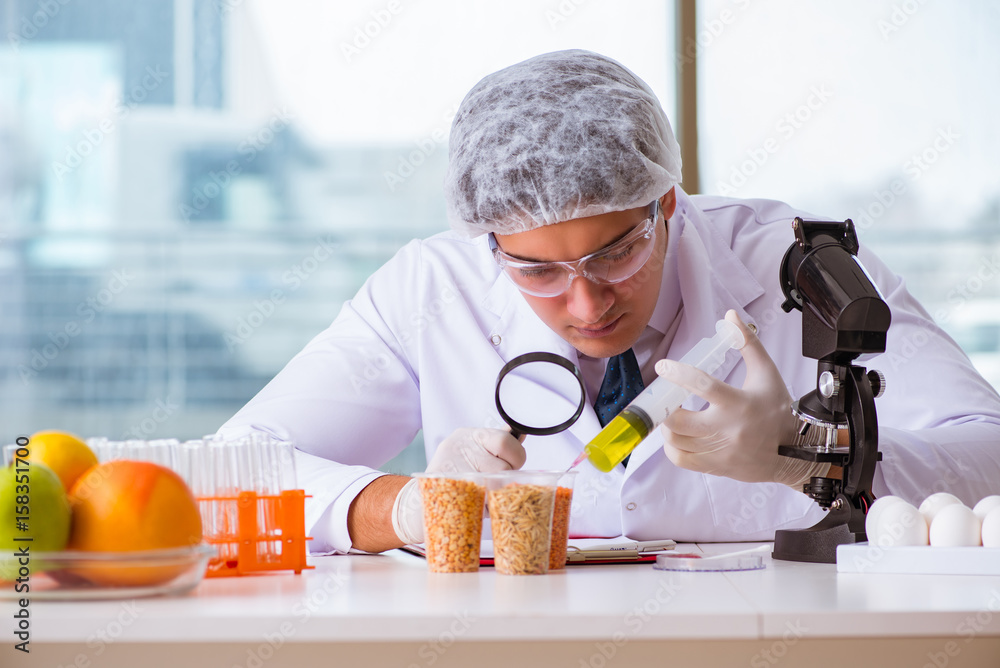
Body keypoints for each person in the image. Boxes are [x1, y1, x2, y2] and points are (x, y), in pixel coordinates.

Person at [219, 49, 1000, 555]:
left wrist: (807, 456)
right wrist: (409, 509)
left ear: (667, 204)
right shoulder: (430, 288)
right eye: (536, 271)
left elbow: (990, 454)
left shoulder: (794, 262)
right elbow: (231, 468)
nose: (586, 303)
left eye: (615, 253)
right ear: (490, 242)